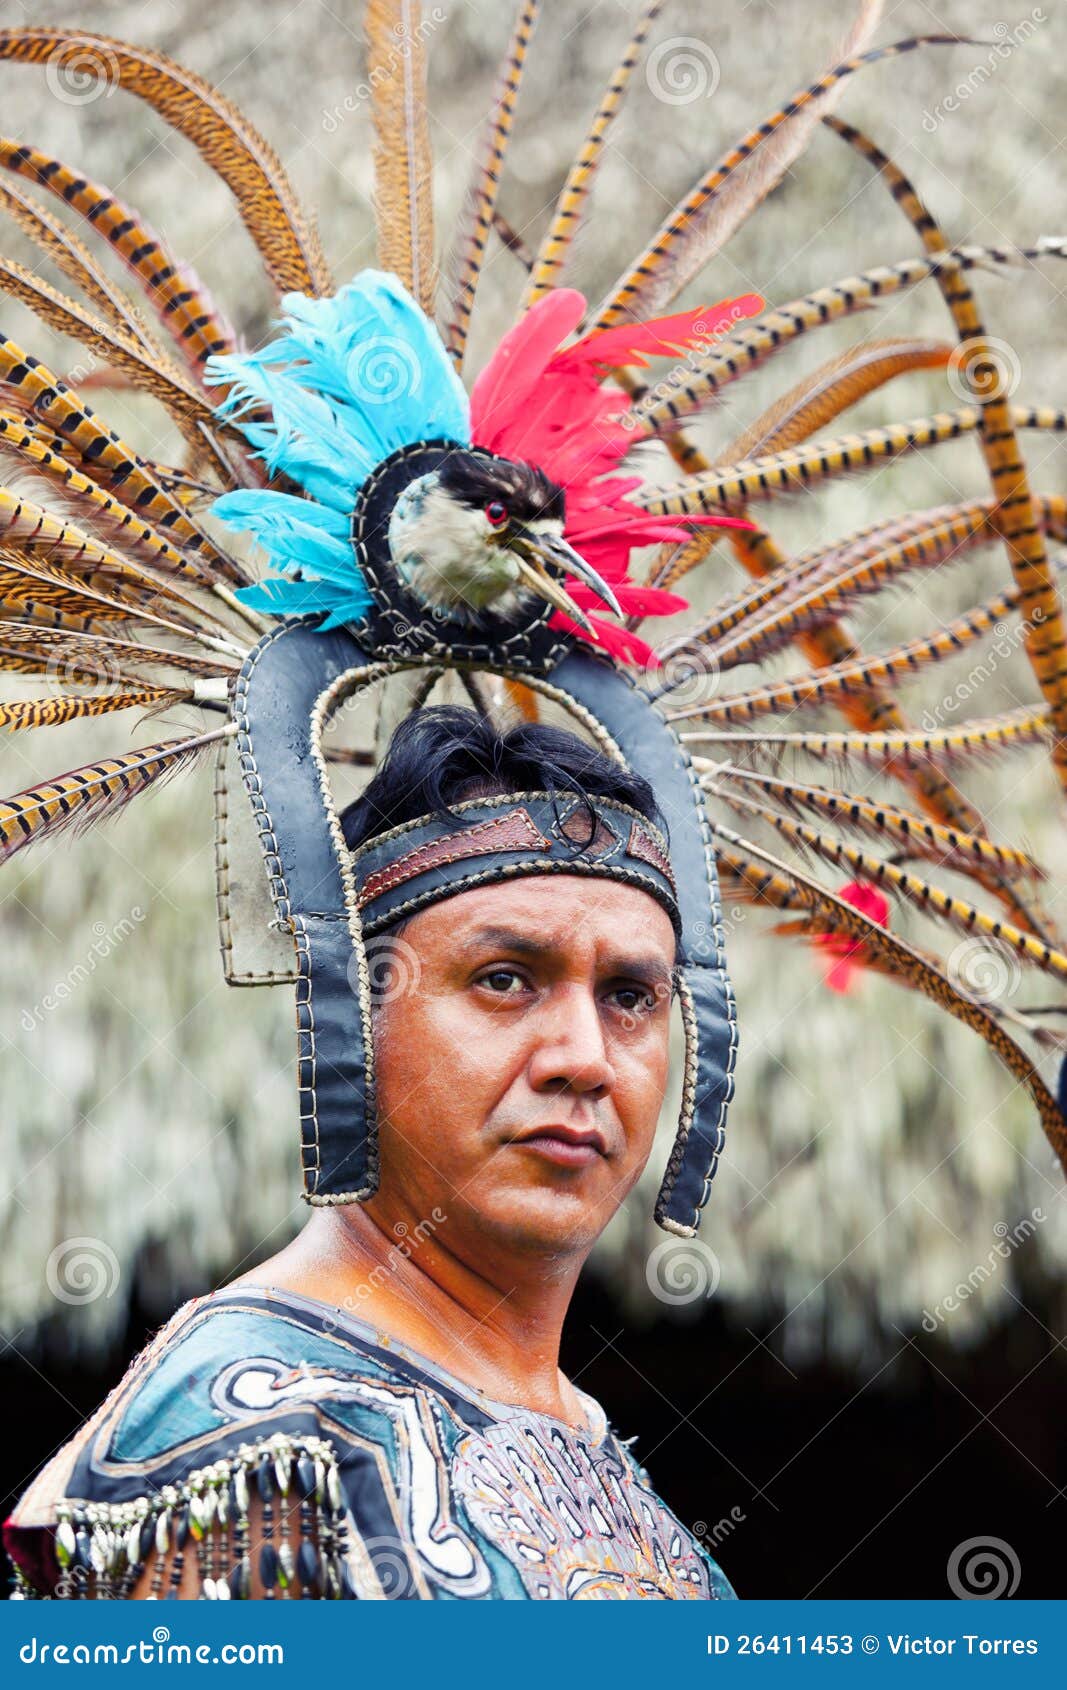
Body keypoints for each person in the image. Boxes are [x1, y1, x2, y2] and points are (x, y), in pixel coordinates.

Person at [4, 707, 735, 1602]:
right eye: (504, 979)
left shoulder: (593, 1444)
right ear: (354, 1017)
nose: (583, 1056)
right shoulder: (253, 1442)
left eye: (629, 996)